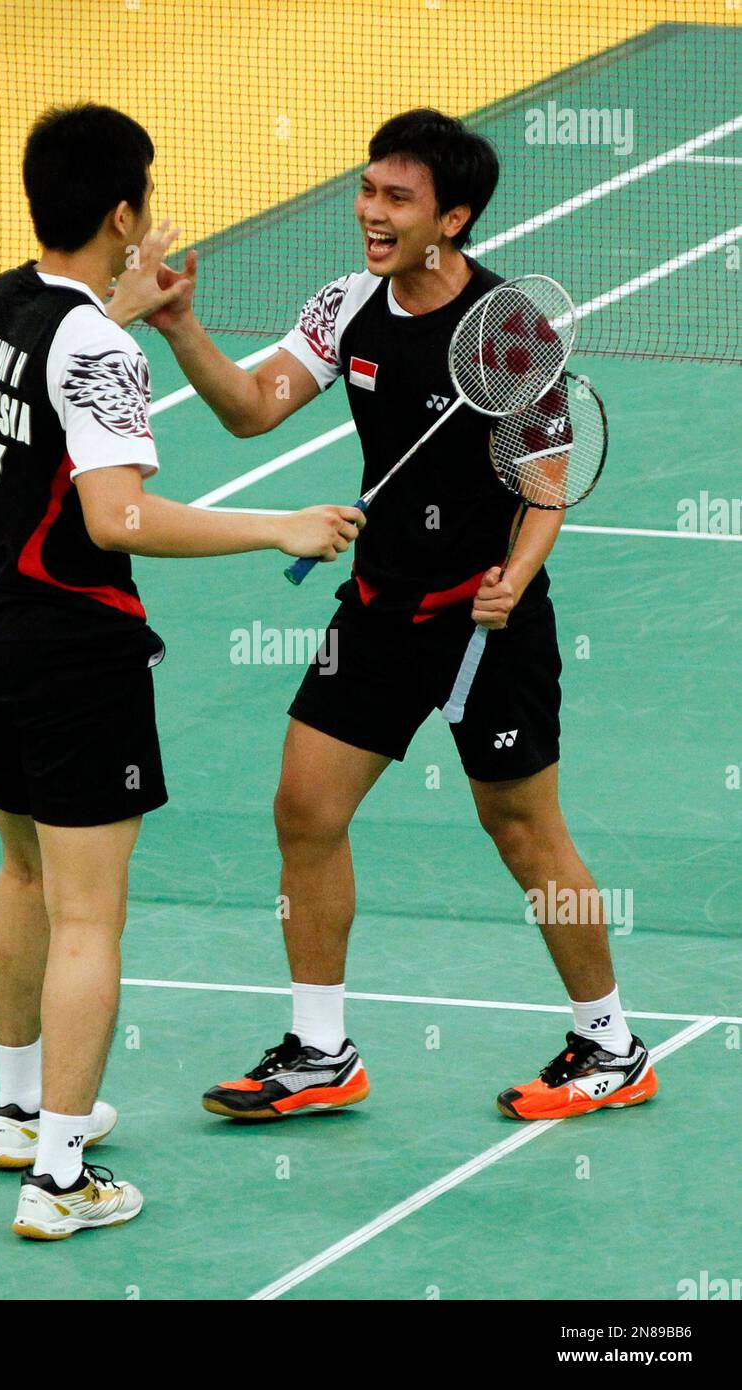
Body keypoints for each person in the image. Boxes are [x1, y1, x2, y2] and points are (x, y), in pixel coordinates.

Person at [143, 107, 657, 1124]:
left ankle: (610, 1043)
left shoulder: (507, 327)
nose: (370, 212)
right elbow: (252, 408)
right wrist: (179, 327)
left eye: (397, 199)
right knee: (305, 808)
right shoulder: (347, 306)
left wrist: (516, 573)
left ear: (451, 218)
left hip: (486, 619)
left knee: (521, 830)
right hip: (379, 608)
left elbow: (547, 478)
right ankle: (320, 1050)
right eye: (368, 190)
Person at [0, 103, 363, 1239]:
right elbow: (118, 517)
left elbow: (52, 385)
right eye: (146, 198)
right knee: (90, 917)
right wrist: (275, 524)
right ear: (123, 212)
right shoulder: (100, 346)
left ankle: (18, 1112)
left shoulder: (1, 303)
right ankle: (62, 1177)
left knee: (22, 875)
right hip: (71, 646)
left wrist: (128, 311)